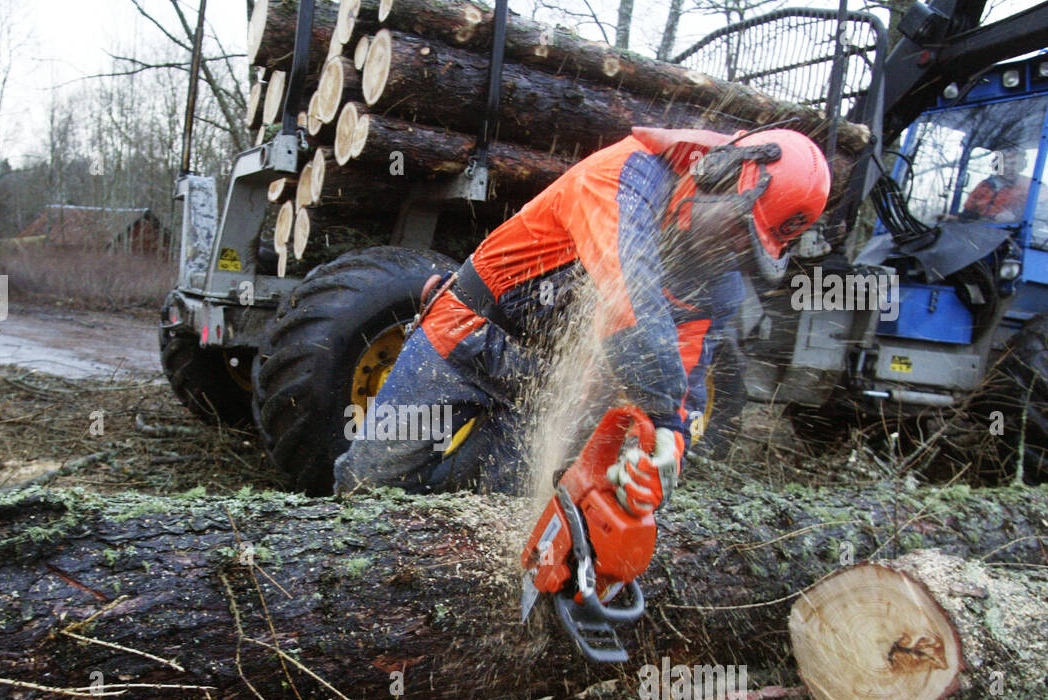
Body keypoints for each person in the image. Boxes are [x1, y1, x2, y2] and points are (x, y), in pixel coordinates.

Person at [334, 125, 832, 518]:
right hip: (468, 333)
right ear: (721, 176)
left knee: (507, 511)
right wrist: (658, 413)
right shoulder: (626, 175)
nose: (737, 249)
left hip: (551, 384)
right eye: (741, 229)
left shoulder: (717, 286)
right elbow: (629, 304)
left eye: (753, 247)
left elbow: (685, 388)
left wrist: (666, 447)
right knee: (371, 480)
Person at [961, 146, 1030, 222]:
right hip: (980, 230)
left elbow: (1040, 216)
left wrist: (1016, 217)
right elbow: (968, 212)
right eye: (1009, 163)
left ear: (1023, 166)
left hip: (1010, 231)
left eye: (1018, 164)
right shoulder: (984, 186)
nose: (1013, 168)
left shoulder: (1030, 187)